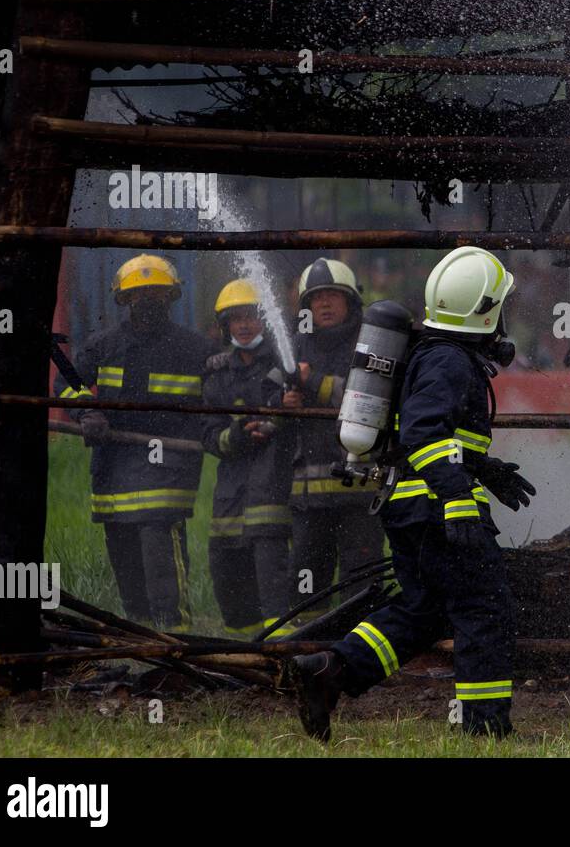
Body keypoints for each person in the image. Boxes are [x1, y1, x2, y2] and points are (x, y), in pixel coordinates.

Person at [288, 247, 535, 740]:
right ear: (485, 311)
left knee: (422, 610)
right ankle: (486, 730)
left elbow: (433, 435)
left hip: (411, 506)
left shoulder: (437, 355)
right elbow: (423, 432)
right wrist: (459, 500)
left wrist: (487, 469)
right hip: (436, 508)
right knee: (484, 608)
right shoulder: (449, 360)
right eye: (500, 306)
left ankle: (331, 670)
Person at [53, 254, 214, 630]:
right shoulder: (104, 345)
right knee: (126, 564)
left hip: (169, 473)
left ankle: (174, 643)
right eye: (139, 293)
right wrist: (86, 412)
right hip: (114, 474)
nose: (147, 299)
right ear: (124, 300)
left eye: (156, 291)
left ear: (170, 296)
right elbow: (66, 384)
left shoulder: (196, 350)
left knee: (160, 557)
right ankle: (139, 642)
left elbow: (222, 395)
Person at [284, 258, 385, 620]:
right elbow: (267, 395)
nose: (324, 303)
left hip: (360, 491)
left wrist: (313, 382)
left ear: (350, 301)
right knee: (307, 580)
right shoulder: (296, 344)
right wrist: (283, 402)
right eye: (317, 297)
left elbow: (368, 401)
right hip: (310, 495)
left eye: (332, 296)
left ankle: (360, 651)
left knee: (361, 578)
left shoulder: (370, 345)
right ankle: (308, 651)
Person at [201, 279, 297, 638]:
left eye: (252, 317)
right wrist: (237, 436)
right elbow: (209, 436)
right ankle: (245, 654)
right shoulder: (216, 374)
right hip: (229, 496)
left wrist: (276, 422)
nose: (243, 325)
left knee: (272, 574)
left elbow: (295, 415)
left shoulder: (285, 364)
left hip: (272, 486)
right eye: (236, 319)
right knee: (227, 573)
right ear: (225, 326)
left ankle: (282, 653)